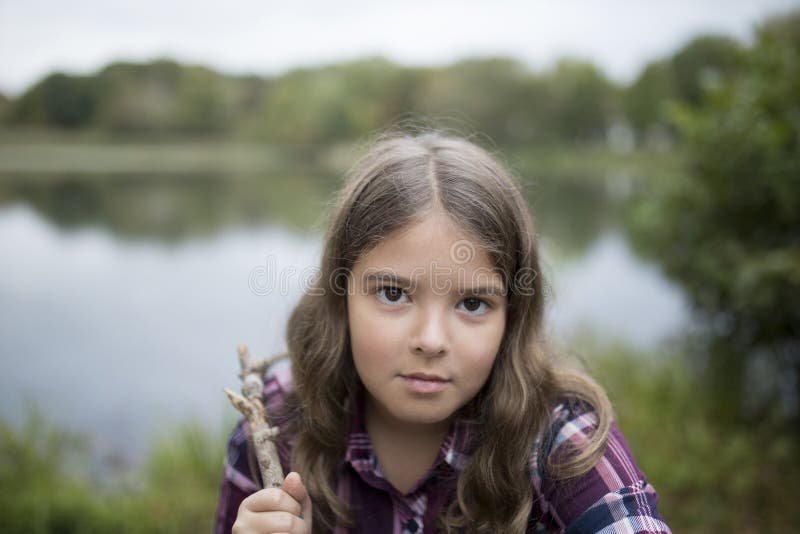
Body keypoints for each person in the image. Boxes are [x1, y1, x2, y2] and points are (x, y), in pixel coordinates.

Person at [214, 130, 670, 533]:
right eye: (393, 294)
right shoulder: (275, 427)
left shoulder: (560, 436)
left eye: (473, 303)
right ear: (341, 294)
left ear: (512, 315)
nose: (431, 341)